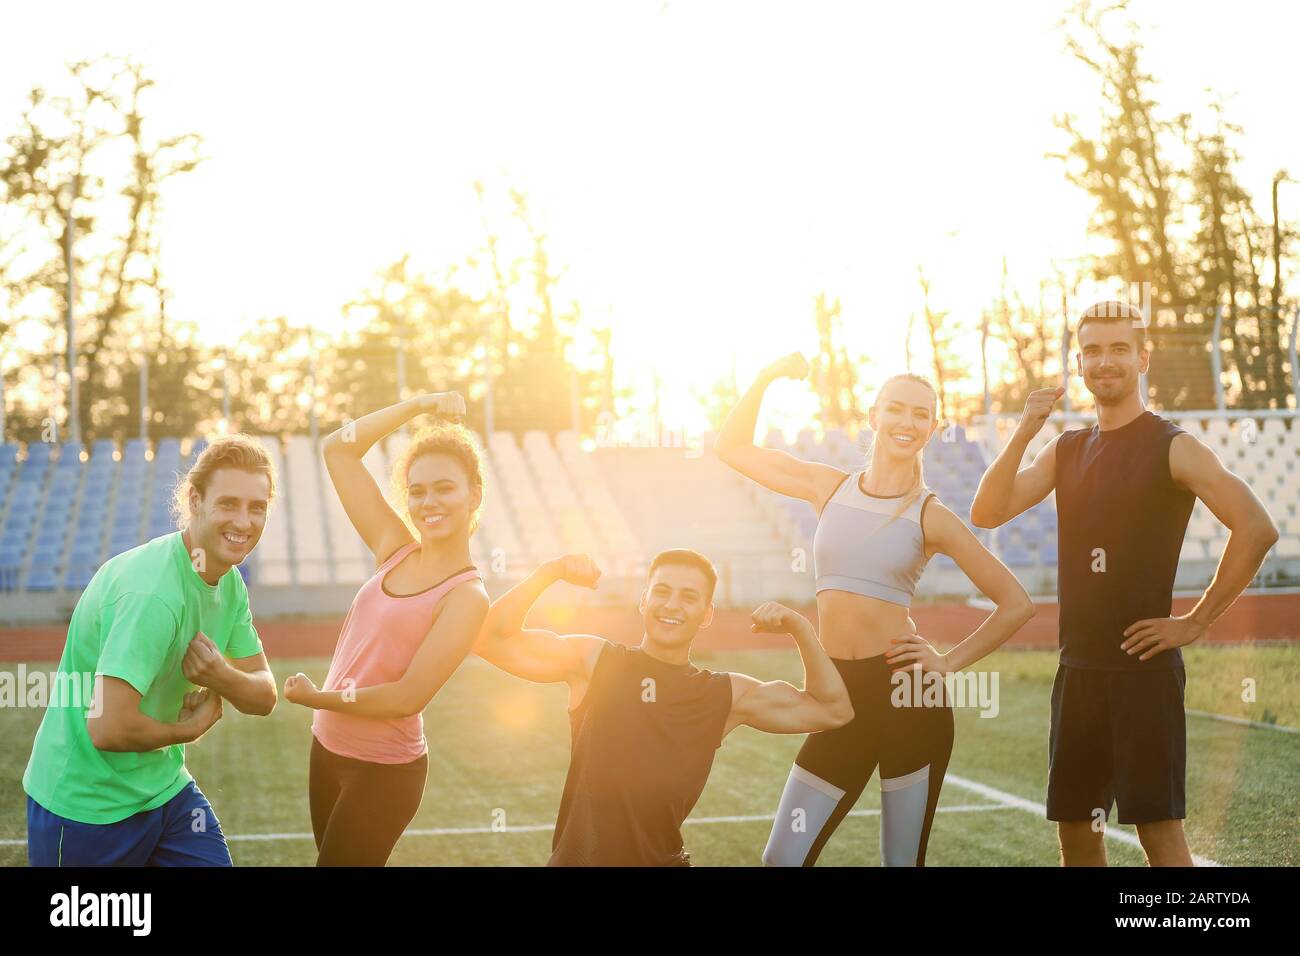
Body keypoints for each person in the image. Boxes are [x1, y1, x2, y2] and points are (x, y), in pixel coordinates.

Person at [971, 301, 1279, 866]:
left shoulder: (1173, 446)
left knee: (1158, 833)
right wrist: (1024, 430)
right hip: (1078, 670)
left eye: (1118, 349)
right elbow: (987, 511)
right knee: (1075, 830)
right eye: (1091, 350)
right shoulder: (1065, 450)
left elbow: (1257, 528)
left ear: (1143, 357)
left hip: (1144, 672)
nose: (1103, 361)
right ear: (1079, 363)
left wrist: (1197, 620)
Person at [716, 355, 1034, 866]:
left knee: (900, 864)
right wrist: (767, 375)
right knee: (781, 859)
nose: (907, 423)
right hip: (836, 694)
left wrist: (948, 664)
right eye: (896, 409)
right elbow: (731, 448)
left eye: (920, 414)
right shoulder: (829, 487)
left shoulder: (931, 514)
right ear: (873, 415)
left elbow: (1016, 603)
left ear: (933, 427)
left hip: (909, 697)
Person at [474, 549, 854, 866]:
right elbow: (489, 638)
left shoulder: (724, 696)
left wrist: (801, 629)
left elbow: (832, 710)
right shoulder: (595, 662)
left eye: (689, 597)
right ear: (644, 600)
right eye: (662, 592)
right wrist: (549, 572)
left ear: (706, 614)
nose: (672, 605)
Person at [23, 434, 279, 866]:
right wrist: (187, 731)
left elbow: (264, 694)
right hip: (88, 804)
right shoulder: (153, 594)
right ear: (195, 500)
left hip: (165, 790)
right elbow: (107, 728)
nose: (244, 521)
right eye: (228, 503)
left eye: (257, 507)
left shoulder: (229, 581)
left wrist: (221, 677)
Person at [283, 392, 489, 866]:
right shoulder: (394, 548)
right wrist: (417, 406)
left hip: (383, 772)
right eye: (417, 490)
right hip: (327, 748)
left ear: (473, 494)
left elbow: (405, 697)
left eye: (444, 488)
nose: (428, 502)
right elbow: (338, 449)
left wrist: (318, 699)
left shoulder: (467, 597)